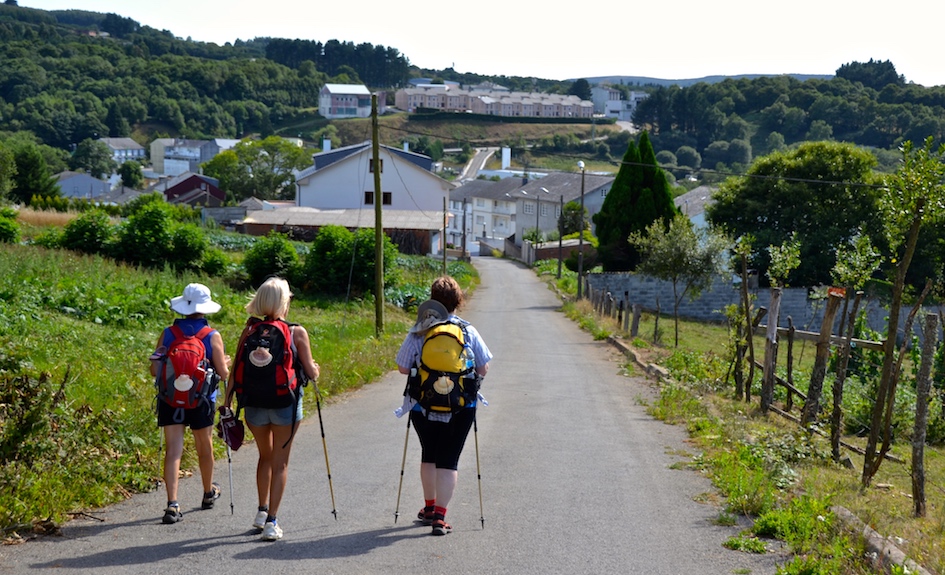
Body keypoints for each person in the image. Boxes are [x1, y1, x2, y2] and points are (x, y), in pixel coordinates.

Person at [222, 277, 319, 541]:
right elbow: (310, 372)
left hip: (253, 405)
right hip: (284, 405)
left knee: (264, 456)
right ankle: (273, 522)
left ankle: (261, 512)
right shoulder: (296, 331)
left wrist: (227, 402)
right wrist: (315, 370)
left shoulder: (250, 330)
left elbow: (235, 372)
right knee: (281, 461)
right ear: (284, 302)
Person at [396, 276, 492, 536]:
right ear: (458, 301)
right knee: (449, 460)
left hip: (422, 405)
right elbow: (483, 367)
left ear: (431, 300)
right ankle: (440, 516)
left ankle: (428, 508)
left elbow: (403, 366)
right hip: (460, 406)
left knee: (429, 454)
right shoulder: (468, 331)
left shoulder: (420, 330)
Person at [150, 283, 230, 524]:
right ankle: (208, 493)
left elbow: (155, 369)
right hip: (202, 400)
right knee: (203, 447)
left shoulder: (168, 333)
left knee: (174, 450)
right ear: (205, 309)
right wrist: (224, 362)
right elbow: (224, 375)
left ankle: (172, 503)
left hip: (170, 398)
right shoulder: (211, 335)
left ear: (184, 306)